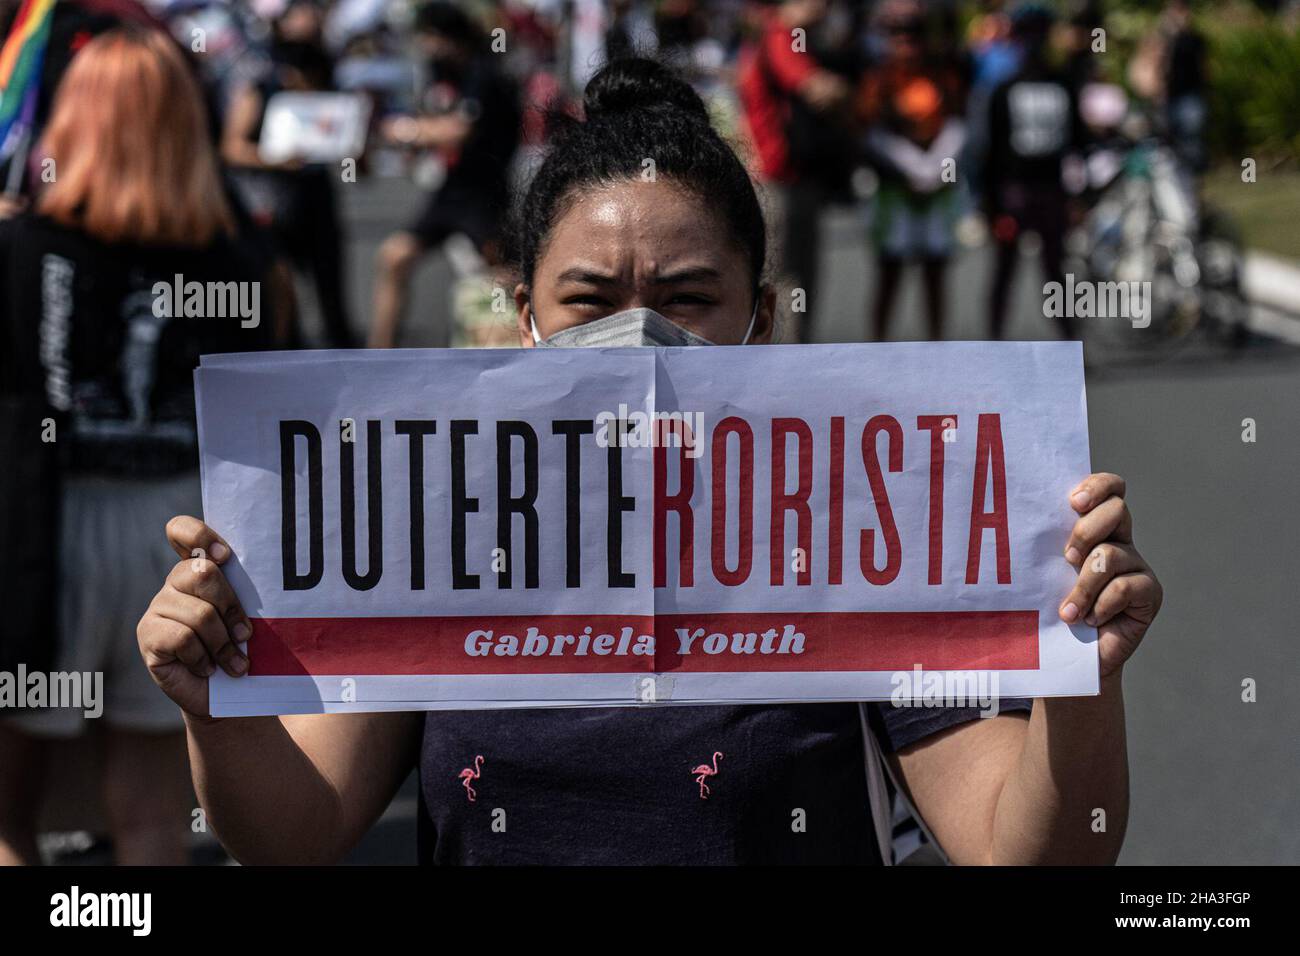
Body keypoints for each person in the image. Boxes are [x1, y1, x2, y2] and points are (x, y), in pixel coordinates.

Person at [136, 57, 1162, 866]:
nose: (636, 335)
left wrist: (1082, 674)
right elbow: (291, 833)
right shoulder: (437, 521)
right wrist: (208, 700)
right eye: (588, 300)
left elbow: (1022, 848)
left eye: (684, 298)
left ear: (759, 317)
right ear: (526, 318)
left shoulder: (866, 519)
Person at [0, 26, 274, 865]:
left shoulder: (19, 248)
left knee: (10, 815)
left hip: (42, 532)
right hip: (180, 539)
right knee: (156, 814)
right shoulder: (239, 256)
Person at [368, 2, 520, 349]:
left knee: (505, 278)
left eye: (430, 37)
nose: (425, 45)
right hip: (449, 192)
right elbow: (432, 121)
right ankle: (378, 353)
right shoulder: (439, 73)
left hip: (484, 194)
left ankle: (517, 351)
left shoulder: (485, 73)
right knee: (394, 257)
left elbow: (457, 130)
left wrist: (407, 131)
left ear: (450, 37)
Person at [221, 0, 358, 348]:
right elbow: (232, 147)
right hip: (273, 202)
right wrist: (276, 161)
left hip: (317, 195)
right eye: (299, 13)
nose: (309, 20)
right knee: (279, 291)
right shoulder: (259, 76)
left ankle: (343, 358)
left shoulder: (327, 70)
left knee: (330, 287)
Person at [736, 0, 851, 343]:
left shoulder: (786, 36)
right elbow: (817, 89)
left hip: (795, 178)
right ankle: (789, 369)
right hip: (779, 180)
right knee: (788, 279)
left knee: (795, 277)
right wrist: (852, 91)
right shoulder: (782, 37)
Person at [857, 0, 966, 341]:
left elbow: (958, 124)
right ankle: (877, 348)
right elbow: (870, 131)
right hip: (895, 189)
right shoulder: (879, 78)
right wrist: (910, 166)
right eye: (898, 34)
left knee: (935, 270)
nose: (907, 42)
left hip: (937, 188)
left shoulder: (942, 75)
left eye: (914, 34)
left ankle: (937, 350)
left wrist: (935, 167)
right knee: (890, 270)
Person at [976, 3, 1085, 340]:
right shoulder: (1004, 89)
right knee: (1006, 268)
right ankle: (995, 342)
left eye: (1040, 34)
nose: (1035, 42)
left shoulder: (1064, 85)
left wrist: (1079, 194)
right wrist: (992, 204)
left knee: (1056, 269)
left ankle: (1068, 342)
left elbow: (1077, 142)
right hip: (1015, 192)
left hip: (1051, 189)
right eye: (1028, 34)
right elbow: (991, 150)